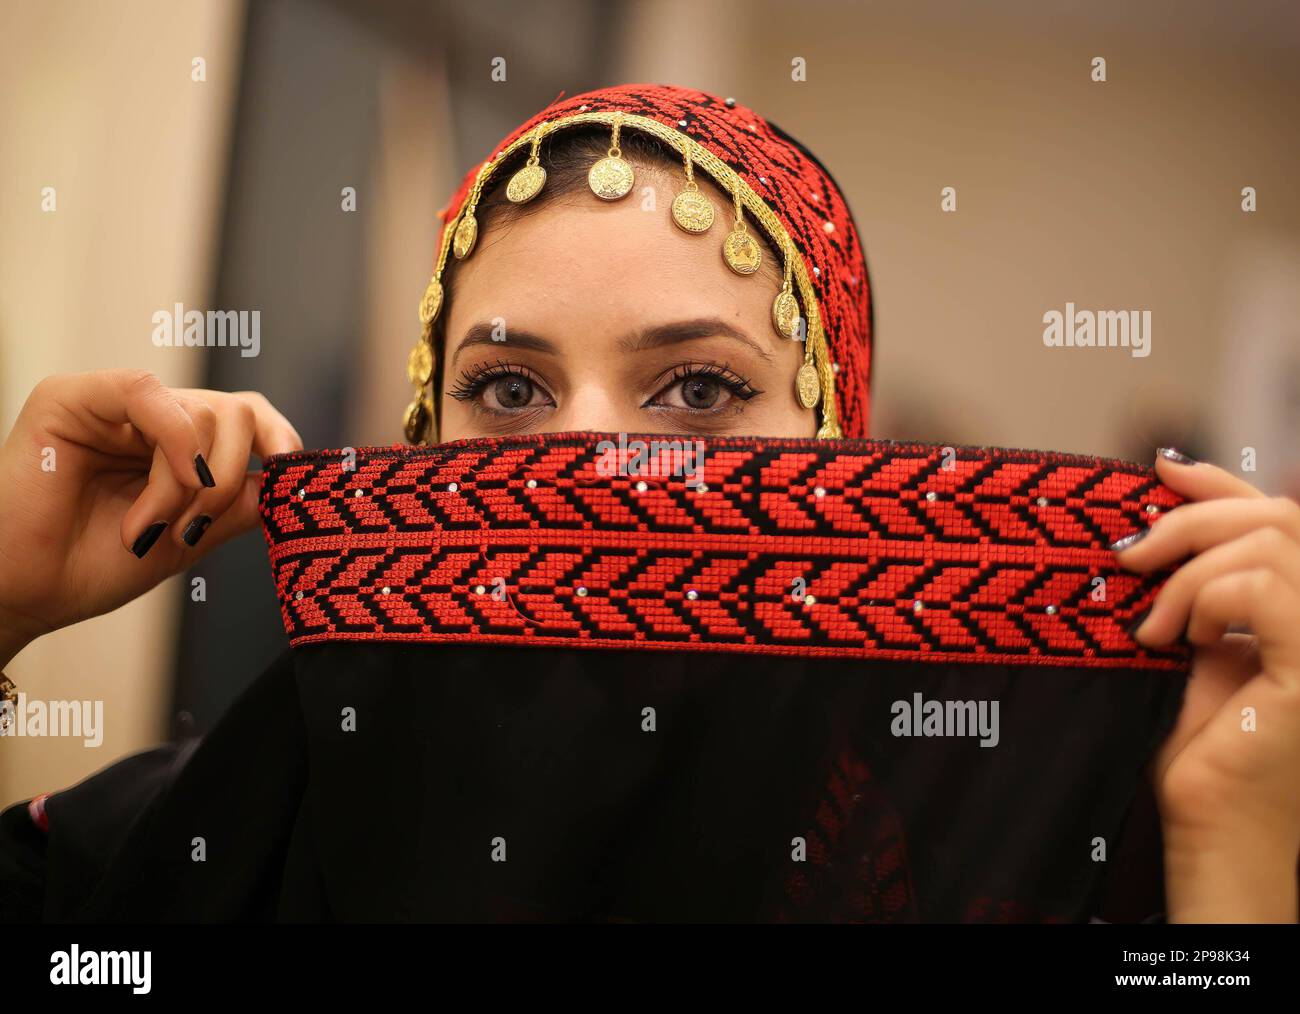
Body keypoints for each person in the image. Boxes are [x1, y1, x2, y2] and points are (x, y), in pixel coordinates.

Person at [1, 84, 1297, 922]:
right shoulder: (260, 827)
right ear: (421, 433)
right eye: (508, 387)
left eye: (695, 388)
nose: (591, 467)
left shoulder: (1029, 848)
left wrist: (1236, 846)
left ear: (840, 449)